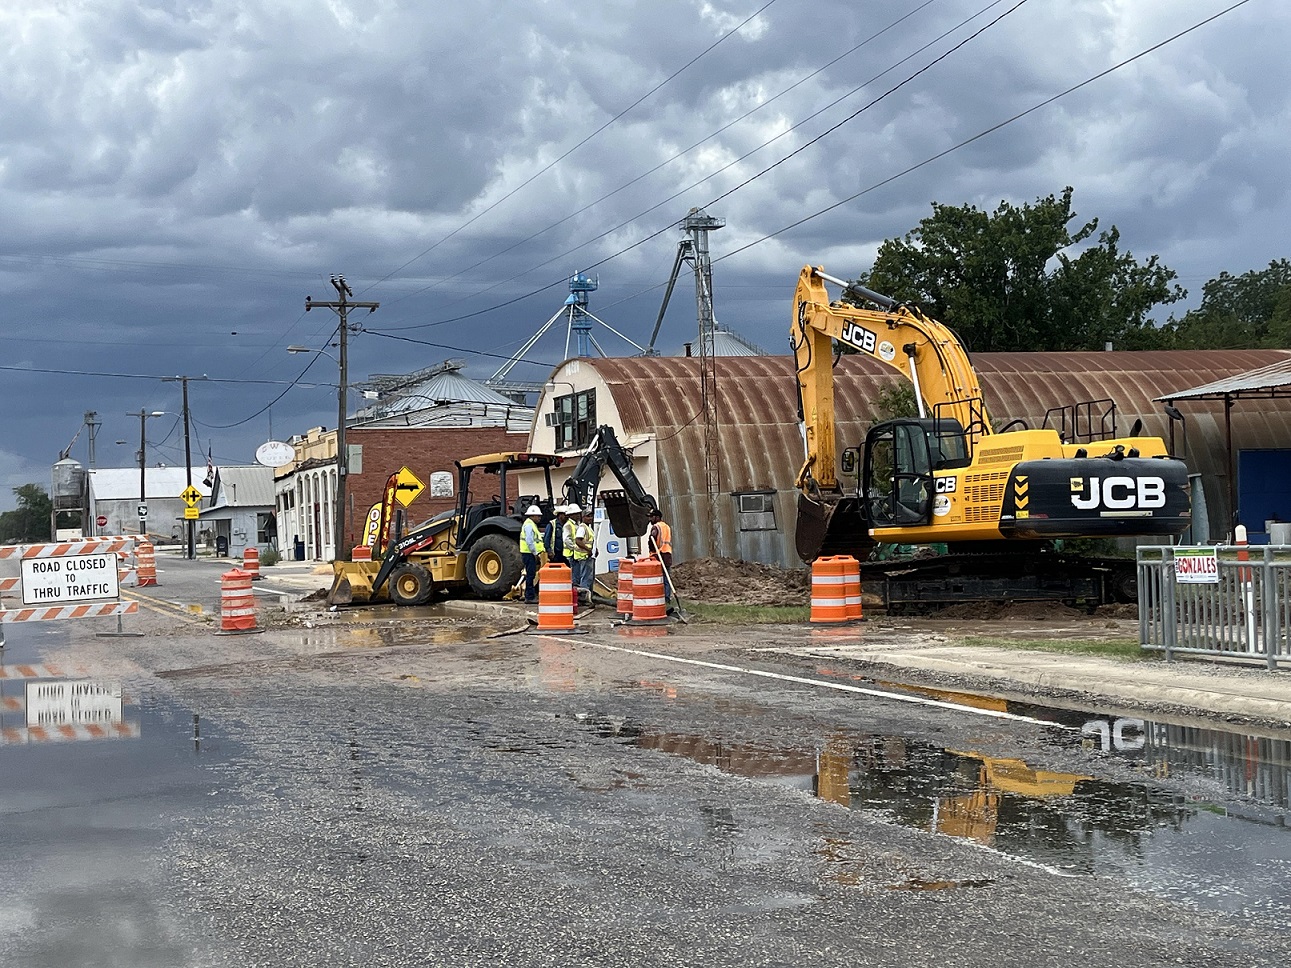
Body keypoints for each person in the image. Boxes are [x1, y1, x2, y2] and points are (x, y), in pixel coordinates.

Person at [570, 507, 596, 606]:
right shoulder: (582, 528)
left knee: (588, 577)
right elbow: (578, 541)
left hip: (588, 556)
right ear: (583, 517)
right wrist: (588, 550)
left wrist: (594, 549)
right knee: (586, 578)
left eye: (591, 516)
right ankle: (584, 599)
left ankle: (585, 598)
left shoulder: (588, 528)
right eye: (588, 516)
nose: (590, 518)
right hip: (584, 556)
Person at [519, 505, 545, 605]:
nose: (539, 518)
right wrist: (535, 553)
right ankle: (529, 597)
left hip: (529, 553)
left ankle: (529, 595)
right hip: (529, 553)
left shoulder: (530, 524)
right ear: (533, 515)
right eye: (538, 516)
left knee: (531, 574)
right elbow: (530, 541)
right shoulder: (529, 525)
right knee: (530, 575)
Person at [648, 507, 674, 604]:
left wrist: (651, 549)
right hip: (667, 554)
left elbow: (653, 539)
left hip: (658, 555)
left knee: (657, 578)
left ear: (657, 517)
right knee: (666, 577)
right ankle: (667, 597)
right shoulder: (666, 526)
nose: (650, 519)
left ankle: (659, 598)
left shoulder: (656, 527)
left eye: (651, 517)